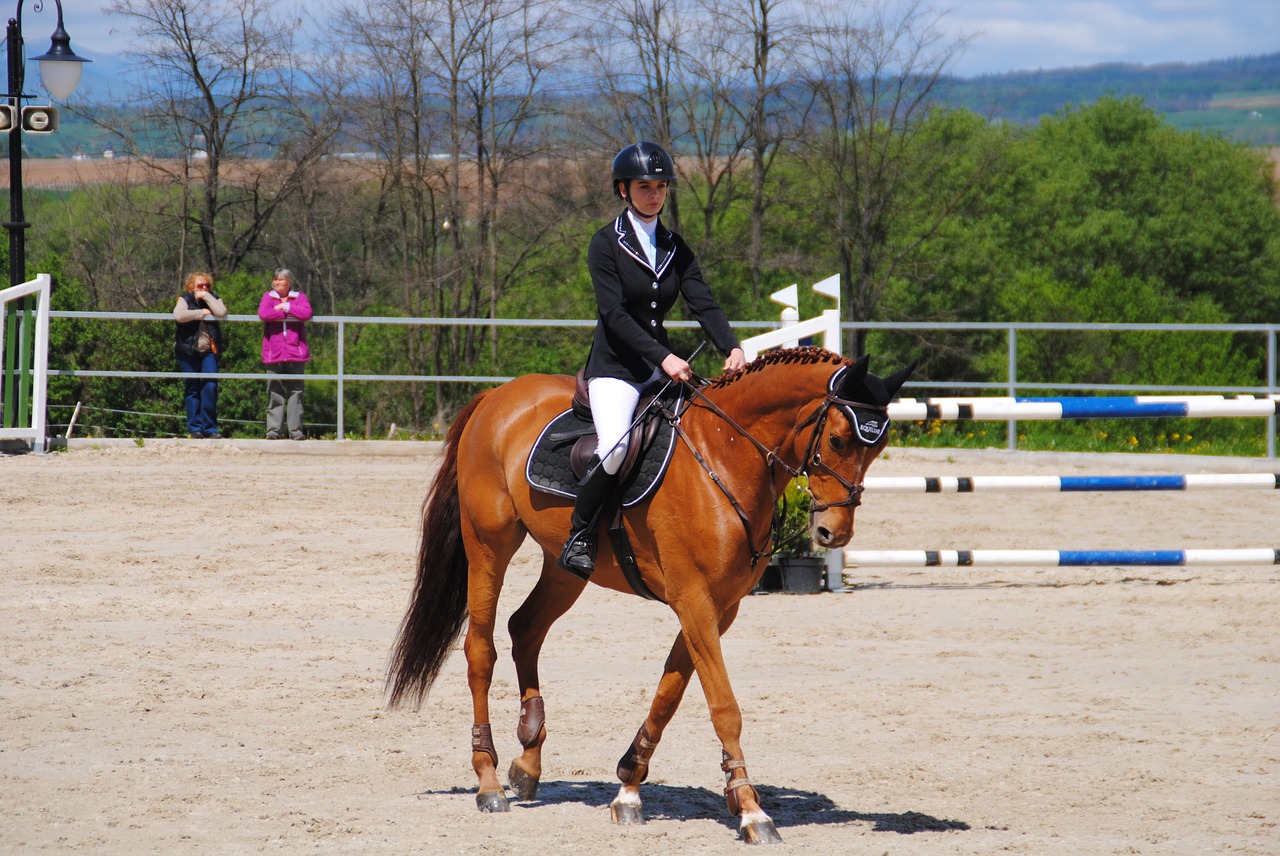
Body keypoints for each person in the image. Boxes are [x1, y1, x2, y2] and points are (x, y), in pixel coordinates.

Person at [559, 141, 747, 578]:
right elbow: (615, 315)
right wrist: (664, 358)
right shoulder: (605, 243)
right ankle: (580, 534)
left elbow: (705, 304)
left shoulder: (675, 247)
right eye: (645, 186)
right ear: (623, 190)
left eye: (661, 186)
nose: (655, 195)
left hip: (661, 368)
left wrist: (733, 347)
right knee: (617, 446)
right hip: (618, 369)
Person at [257, 268, 313, 440]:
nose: (276, 283)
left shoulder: (299, 297)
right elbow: (264, 314)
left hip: (296, 353)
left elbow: (307, 313)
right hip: (273, 354)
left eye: (280, 280)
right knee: (274, 392)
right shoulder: (268, 297)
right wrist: (284, 311)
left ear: (289, 281)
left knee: (296, 392)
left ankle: (295, 431)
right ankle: (273, 431)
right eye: (274, 280)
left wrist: (287, 306)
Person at [173, 271, 227, 439]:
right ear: (191, 286)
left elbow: (221, 312)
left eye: (207, 285)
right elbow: (179, 315)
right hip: (187, 351)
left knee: (210, 387)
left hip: (209, 351)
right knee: (192, 388)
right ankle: (195, 429)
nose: (203, 288)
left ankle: (210, 429)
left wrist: (207, 297)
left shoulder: (214, 298)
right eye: (199, 285)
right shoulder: (185, 299)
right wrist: (201, 313)